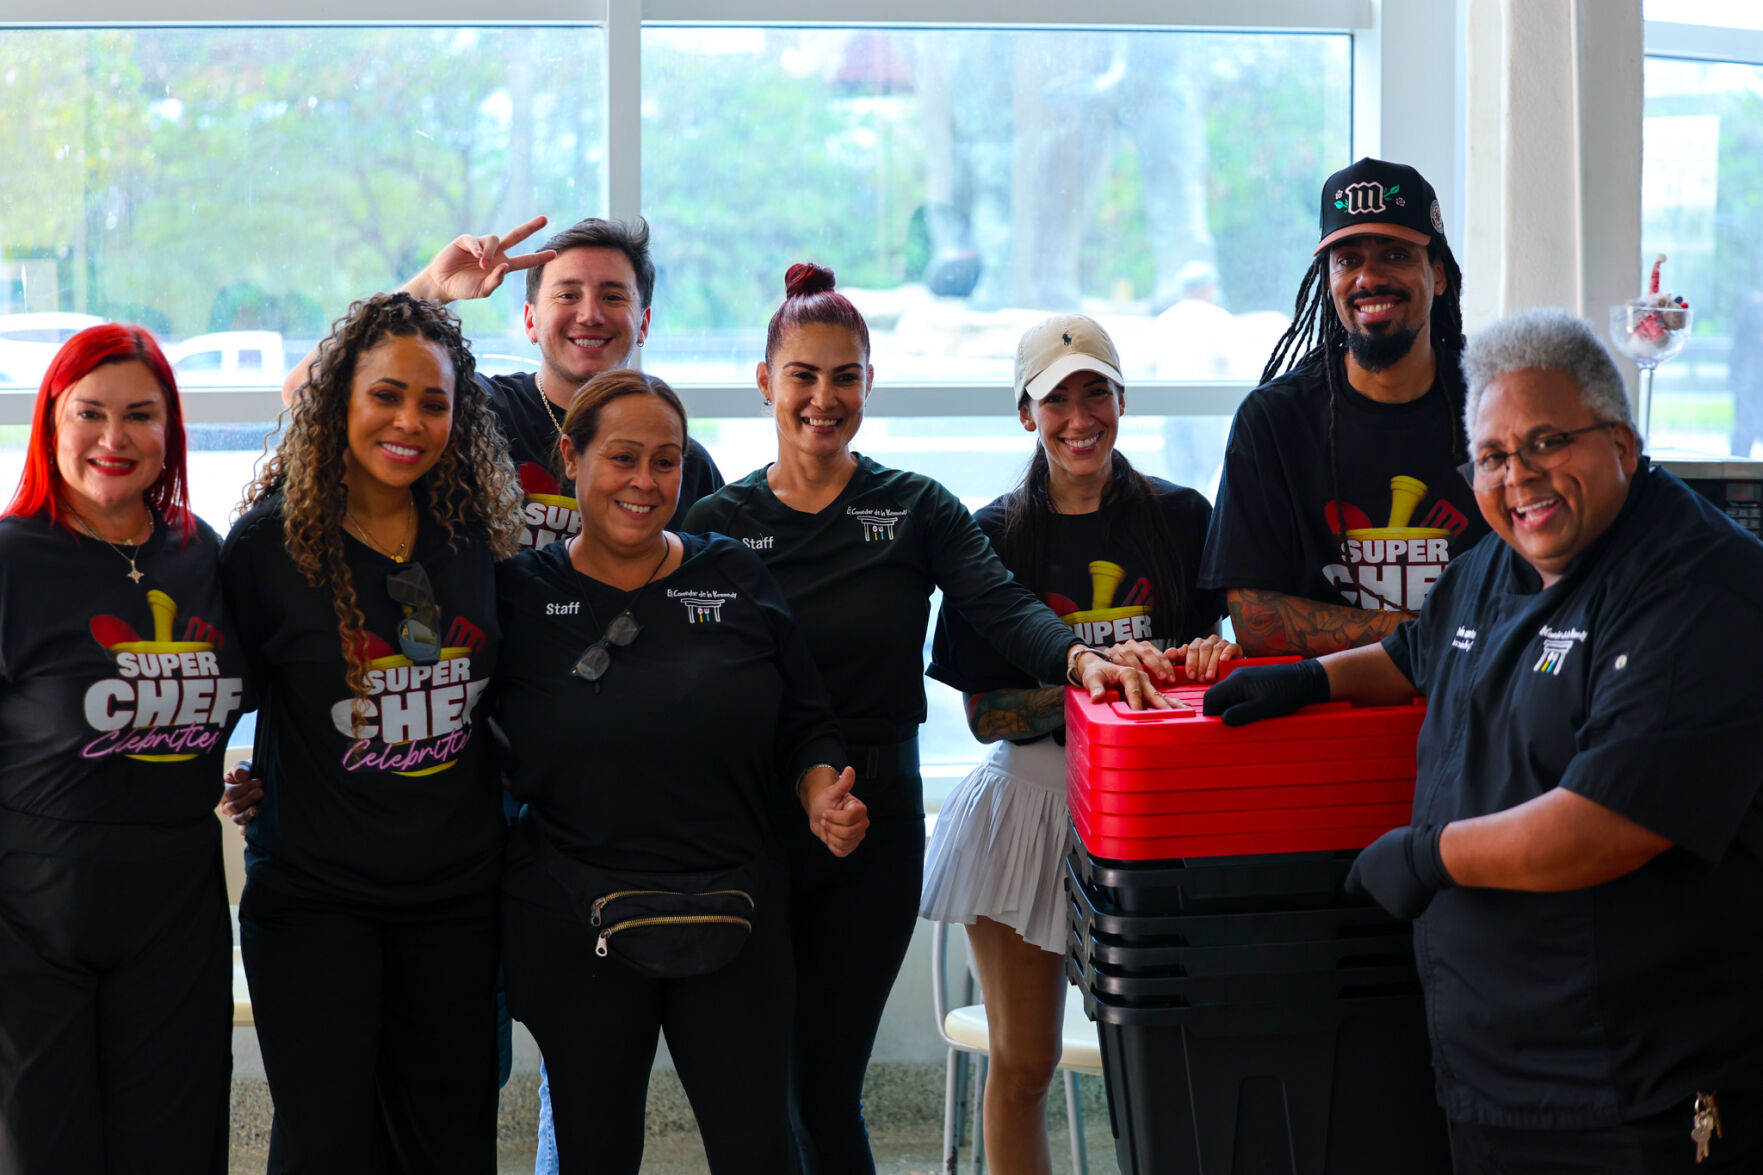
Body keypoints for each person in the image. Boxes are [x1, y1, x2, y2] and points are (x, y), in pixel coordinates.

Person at [1203, 308, 1763, 1173]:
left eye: (1546, 442)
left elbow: (1606, 822)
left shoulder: (1699, 590)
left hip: (1638, 1088)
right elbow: (1416, 652)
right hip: (1488, 1070)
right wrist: (1312, 679)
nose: (1519, 476)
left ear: (1620, 441)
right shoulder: (1493, 562)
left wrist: (1428, 857)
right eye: (1494, 457)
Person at [683, 266, 1167, 1174]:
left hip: (876, 817)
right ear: (765, 383)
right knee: (761, 1088)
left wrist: (1077, 657)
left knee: (824, 1084)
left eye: (845, 377)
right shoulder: (715, 523)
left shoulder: (913, 508)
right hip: (750, 820)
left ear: (868, 384)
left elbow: (999, 602)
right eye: (803, 376)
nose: (823, 399)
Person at [493, 368, 868, 1174]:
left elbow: (806, 723)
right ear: (571, 457)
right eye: (622, 457)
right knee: (593, 1153)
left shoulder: (730, 573)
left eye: (665, 461)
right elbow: (450, 723)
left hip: (734, 911)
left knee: (758, 1151)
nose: (644, 480)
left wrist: (821, 797)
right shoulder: (520, 594)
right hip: (575, 919)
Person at [922, 314, 1235, 1173]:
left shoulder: (1179, 516)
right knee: (1024, 1064)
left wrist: (1205, 658)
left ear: (1122, 399)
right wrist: (1087, 678)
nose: (1077, 416)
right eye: (1054, 398)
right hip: (1026, 806)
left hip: (1151, 811)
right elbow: (985, 714)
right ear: (1025, 414)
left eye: (1094, 390)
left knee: (1166, 1053)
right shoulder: (993, 535)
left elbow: (1200, 676)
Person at [222, 292, 523, 1174]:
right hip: (315, 902)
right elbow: (211, 703)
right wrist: (238, 774)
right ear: (336, 403)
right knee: (325, 1146)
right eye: (386, 395)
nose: (410, 421)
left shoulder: (477, 540)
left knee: (450, 1145)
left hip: (458, 900)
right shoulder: (266, 549)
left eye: (434, 403)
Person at [0, 324, 247, 1175]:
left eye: (140, 415)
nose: (114, 439)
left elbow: (256, 690)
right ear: (50, 424)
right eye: (90, 413)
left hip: (176, 909)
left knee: (175, 1152)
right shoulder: (9, 559)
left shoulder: (200, 552)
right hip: (32, 919)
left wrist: (263, 779)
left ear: (170, 431)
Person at [280, 214, 724, 544]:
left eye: (612, 296)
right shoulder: (479, 410)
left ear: (643, 322)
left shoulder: (683, 464)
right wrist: (431, 286)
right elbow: (306, 390)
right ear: (531, 321)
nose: (589, 314)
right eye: (568, 295)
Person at [1199, 157, 1488, 656]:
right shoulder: (1273, 420)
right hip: (1325, 717)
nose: (1368, 278)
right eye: (1348, 260)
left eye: (1395, 255)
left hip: (1476, 710)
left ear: (1438, 275)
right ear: (1329, 278)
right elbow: (1255, 621)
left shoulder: (1498, 407)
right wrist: (1436, 631)